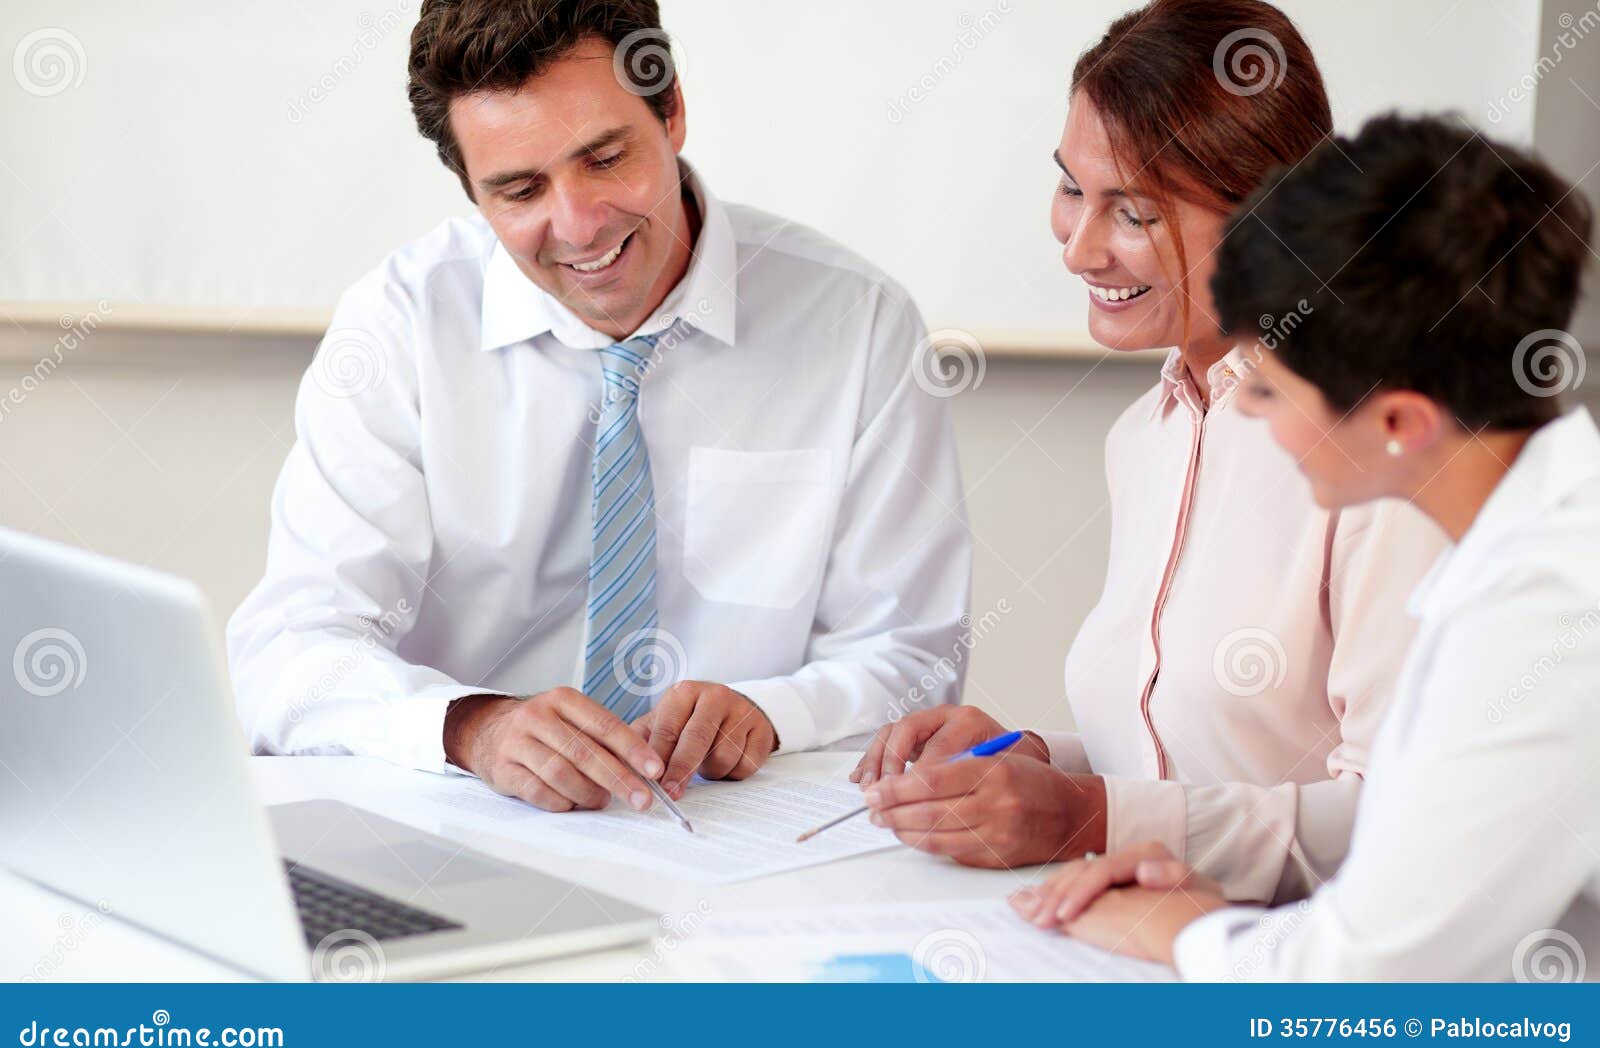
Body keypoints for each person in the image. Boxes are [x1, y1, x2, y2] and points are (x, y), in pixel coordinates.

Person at [228, 0, 971, 814]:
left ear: (672, 109)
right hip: (462, 824)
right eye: (519, 189)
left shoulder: (856, 324)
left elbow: (914, 660)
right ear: (468, 188)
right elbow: (291, 651)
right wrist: (470, 727)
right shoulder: (400, 325)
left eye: (606, 159)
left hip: (736, 831)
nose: (578, 225)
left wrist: (777, 710)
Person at [853, 0, 1447, 896]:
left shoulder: (1382, 446)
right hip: (1140, 945)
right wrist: (1022, 758)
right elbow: (1187, 755)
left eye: (1131, 213)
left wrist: (1088, 816)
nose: (1079, 251)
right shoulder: (1151, 431)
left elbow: (1408, 821)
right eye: (1071, 190)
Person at [1014, 113, 1598, 982]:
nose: (1244, 411)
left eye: (1269, 389)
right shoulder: (1524, 538)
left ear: (1400, 422)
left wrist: (1184, 932)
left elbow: (1363, 976)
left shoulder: (1551, 610)